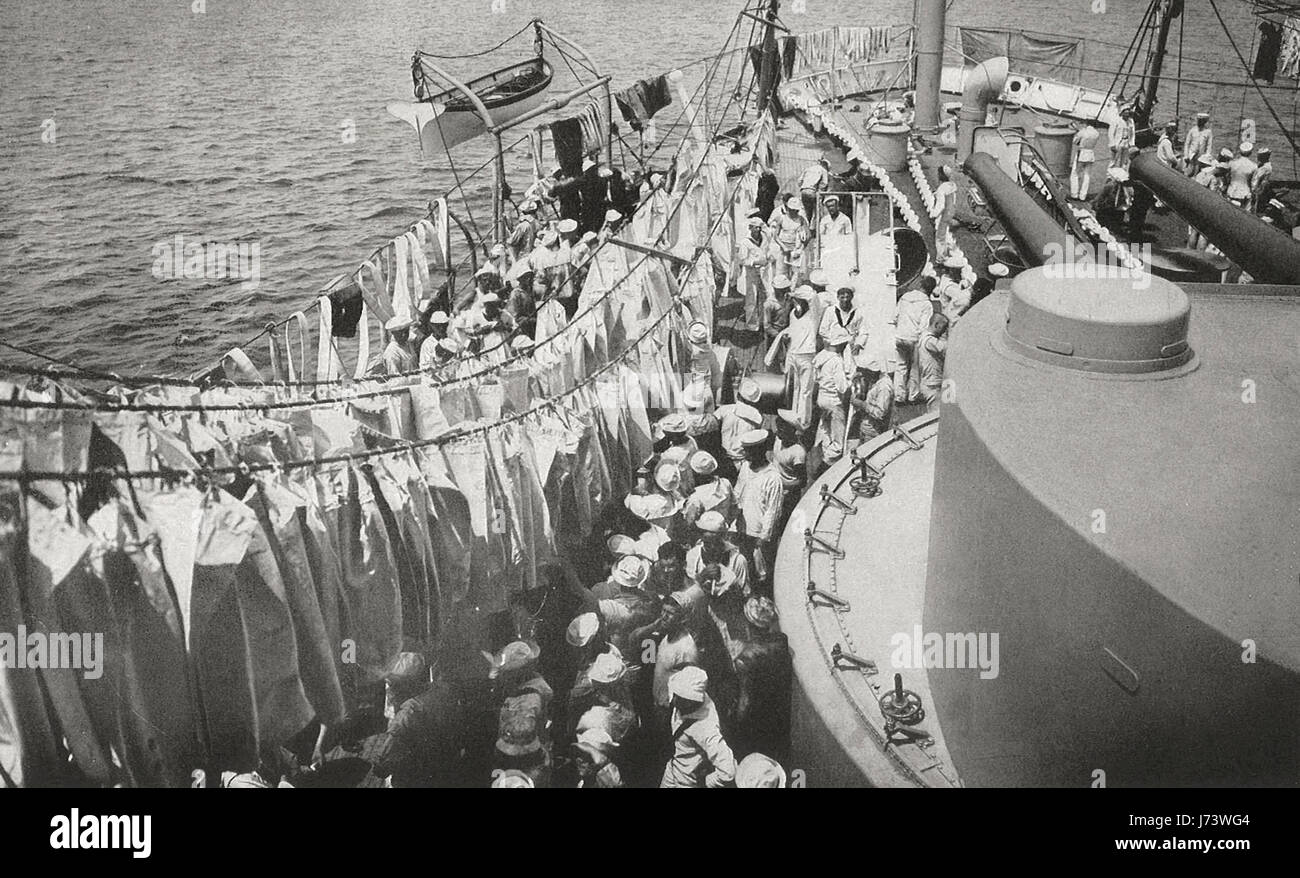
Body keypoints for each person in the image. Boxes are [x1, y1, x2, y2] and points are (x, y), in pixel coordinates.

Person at [732, 596, 791, 763]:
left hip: (756, 716)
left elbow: (745, 701)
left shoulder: (745, 659)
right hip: (776, 710)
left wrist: (736, 727)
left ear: (748, 625)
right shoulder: (781, 641)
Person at [659, 667, 736, 788]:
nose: (673, 700)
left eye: (681, 697)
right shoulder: (683, 702)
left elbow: (728, 772)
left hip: (687, 782)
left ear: (692, 699)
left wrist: (706, 782)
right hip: (672, 770)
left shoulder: (706, 728)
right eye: (676, 693)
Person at [734, 429, 783, 591]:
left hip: (759, 534)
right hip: (742, 528)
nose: (746, 455)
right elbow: (738, 492)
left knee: (762, 571)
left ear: (759, 451)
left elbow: (773, 511)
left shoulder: (773, 478)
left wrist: (763, 537)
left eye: (749, 451)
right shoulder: (745, 468)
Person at [765, 285, 818, 428]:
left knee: (806, 390)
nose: (797, 303)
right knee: (793, 386)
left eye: (799, 300)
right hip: (793, 353)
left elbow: (814, 299)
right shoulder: (793, 313)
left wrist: (799, 293)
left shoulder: (813, 315)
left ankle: (804, 421)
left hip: (807, 355)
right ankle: (792, 413)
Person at [892, 279, 935, 404]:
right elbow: (924, 326)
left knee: (900, 366)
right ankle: (913, 396)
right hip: (914, 339)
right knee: (915, 368)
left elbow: (895, 316)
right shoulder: (927, 304)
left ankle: (899, 396)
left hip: (900, 336)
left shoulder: (905, 297)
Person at [686, 510, 751, 593]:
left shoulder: (738, 560)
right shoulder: (693, 555)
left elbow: (745, 593)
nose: (712, 547)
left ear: (723, 537)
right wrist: (702, 577)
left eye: (716, 542)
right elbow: (688, 594)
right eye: (708, 542)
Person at [812, 334, 851, 467]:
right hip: (834, 402)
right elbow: (842, 387)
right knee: (838, 438)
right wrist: (850, 382)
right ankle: (827, 464)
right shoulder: (837, 361)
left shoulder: (821, 356)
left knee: (825, 430)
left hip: (821, 399)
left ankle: (823, 452)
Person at [715, 378, 764, 479]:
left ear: (738, 395)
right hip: (744, 462)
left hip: (723, 459)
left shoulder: (724, 410)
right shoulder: (757, 417)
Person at [683, 452, 736, 529]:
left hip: (706, 532)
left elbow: (690, 522)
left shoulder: (695, 497)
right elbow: (734, 507)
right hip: (723, 527)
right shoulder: (725, 483)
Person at [772, 408, 807, 526]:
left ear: (791, 430)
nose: (778, 431)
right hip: (775, 490)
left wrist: (782, 485)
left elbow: (802, 481)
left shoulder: (798, 452)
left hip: (788, 496)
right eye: (778, 427)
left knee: (783, 525)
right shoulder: (778, 440)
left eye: (782, 429)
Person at [737, 217, 772, 331]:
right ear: (750, 228)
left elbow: (767, 250)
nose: (758, 230)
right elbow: (742, 260)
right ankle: (752, 325)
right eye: (755, 227)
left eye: (759, 227)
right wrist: (755, 262)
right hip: (751, 273)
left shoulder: (765, 238)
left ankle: (765, 322)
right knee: (752, 298)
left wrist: (768, 258)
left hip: (764, 271)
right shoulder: (745, 243)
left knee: (767, 295)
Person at [850, 363, 894, 443]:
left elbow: (880, 413)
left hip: (874, 433)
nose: (862, 374)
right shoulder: (874, 381)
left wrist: (861, 404)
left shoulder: (884, 387)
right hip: (866, 429)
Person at [768, 196, 810, 280]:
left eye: (796, 210)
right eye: (792, 210)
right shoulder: (782, 218)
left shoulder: (801, 219)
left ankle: (794, 291)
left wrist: (800, 249)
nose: (794, 212)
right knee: (781, 274)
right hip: (783, 250)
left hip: (796, 250)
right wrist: (783, 247)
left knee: (796, 275)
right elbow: (775, 235)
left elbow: (808, 235)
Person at [917, 312, 949, 413]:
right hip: (932, 384)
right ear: (936, 325)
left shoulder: (923, 337)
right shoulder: (929, 340)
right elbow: (946, 348)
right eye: (944, 328)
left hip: (930, 382)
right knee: (935, 415)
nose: (945, 331)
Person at [761, 274, 793, 372]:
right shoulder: (769, 304)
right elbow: (767, 326)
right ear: (777, 290)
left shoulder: (789, 299)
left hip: (787, 332)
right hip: (774, 335)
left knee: (787, 358)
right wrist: (778, 335)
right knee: (773, 358)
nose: (787, 291)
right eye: (784, 289)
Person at [1070, 122, 1101, 200]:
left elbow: (1075, 141)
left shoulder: (1083, 131)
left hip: (1082, 153)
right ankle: (1083, 196)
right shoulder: (1097, 133)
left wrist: (1078, 132)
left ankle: (1074, 194)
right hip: (1090, 154)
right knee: (1087, 175)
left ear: (1086, 124)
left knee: (1075, 173)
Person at [933, 166, 959, 253]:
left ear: (941, 175)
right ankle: (953, 250)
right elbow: (952, 198)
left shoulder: (941, 189)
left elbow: (941, 205)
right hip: (951, 211)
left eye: (939, 173)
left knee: (940, 236)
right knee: (947, 231)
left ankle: (941, 258)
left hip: (944, 214)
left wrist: (933, 215)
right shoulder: (952, 185)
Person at [798, 157, 831, 224]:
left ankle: (806, 227)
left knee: (807, 212)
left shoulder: (808, 169)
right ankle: (816, 229)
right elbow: (824, 183)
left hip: (803, 191)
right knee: (817, 212)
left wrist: (804, 186)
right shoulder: (823, 170)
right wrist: (819, 192)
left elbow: (799, 181)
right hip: (813, 191)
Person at [1226, 143, 1258, 208]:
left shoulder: (1232, 163)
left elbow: (1228, 177)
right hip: (1245, 191)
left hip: (1232, 190)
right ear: (1250, 153)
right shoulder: (1254, 166)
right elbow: (1254, 183)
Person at [1183, 112, 1213, 178]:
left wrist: (1207, 157)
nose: (1199, 122)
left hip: (1201, 157)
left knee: (1197, 174)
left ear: (1204, 122)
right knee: (1187, 173)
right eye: (1198, 120)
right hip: (1191, 156)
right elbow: (1187, 144)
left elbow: (1209, 146)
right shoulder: (1192, 130)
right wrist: (1186, 155)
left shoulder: (1208, 132)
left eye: (1201, 121)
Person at [1251, 146, 1273, 213]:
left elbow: (1256, 179)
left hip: (1259, 188)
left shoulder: (1264, 168)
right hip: (1261, 187)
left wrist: (1252, 190)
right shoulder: (1266, 165)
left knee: (1256, 205)